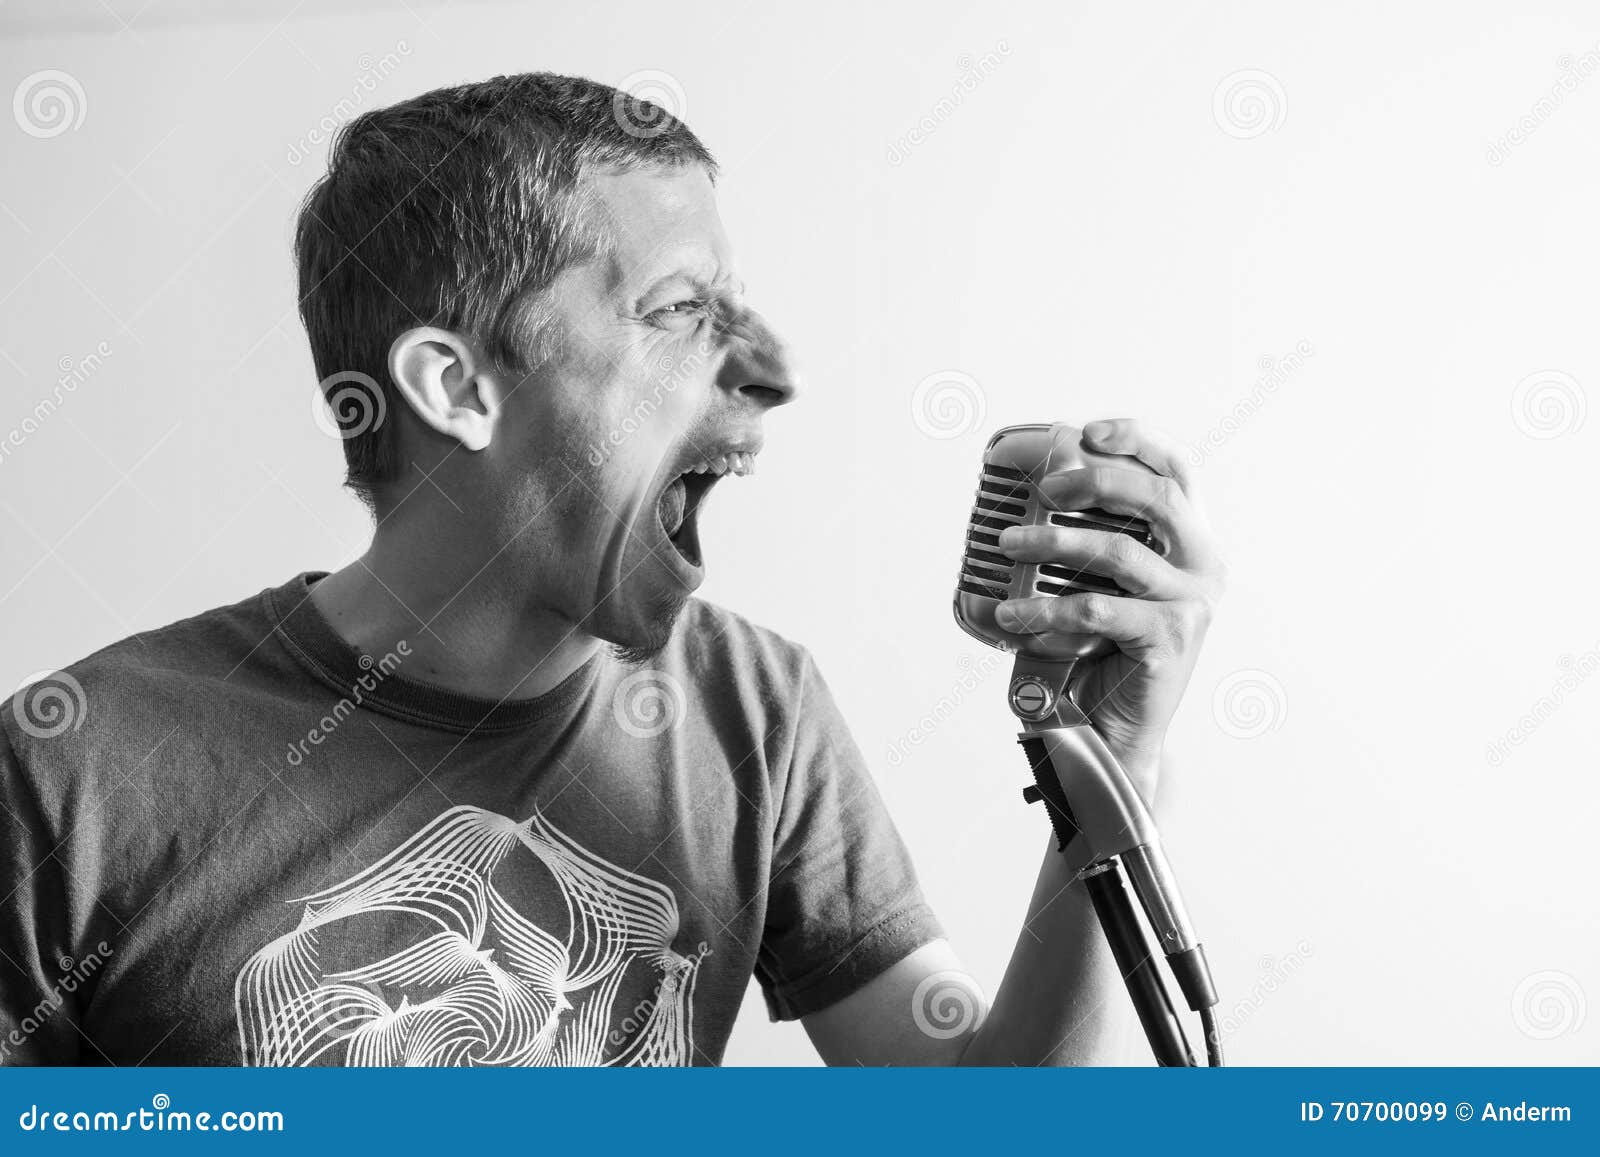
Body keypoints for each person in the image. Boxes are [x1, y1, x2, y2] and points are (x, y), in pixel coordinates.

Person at [0, 73, 1225, 1066]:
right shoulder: (74, 770)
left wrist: (1109, 770)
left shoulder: (752, 709)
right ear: (458, 387)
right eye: (679, 312)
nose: (765, 376)